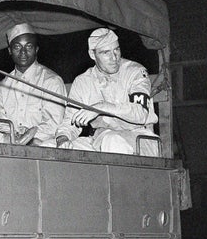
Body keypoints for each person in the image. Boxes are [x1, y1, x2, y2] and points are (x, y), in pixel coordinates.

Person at [55, 27, 159, 155]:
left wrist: (102, 107)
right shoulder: (83, 81)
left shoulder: (135, 72)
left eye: (117, 50)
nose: (114, 57)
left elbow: (140, 113)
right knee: (51, 147)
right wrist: (63, 138)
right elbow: (71, 121)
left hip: (140, 138)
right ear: (92, 54)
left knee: (111, 141)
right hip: (100, 138)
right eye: (106, 53)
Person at [0, 22, 66, 146]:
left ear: (36, 49)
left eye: (29, 46)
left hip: (43, 146)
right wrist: (12, 134)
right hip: (11, 145)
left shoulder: (51, 81)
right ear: (9, 50)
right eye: (17, 47)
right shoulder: (3, 86)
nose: (23, 52)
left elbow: (55, 122)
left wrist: (30, 135)